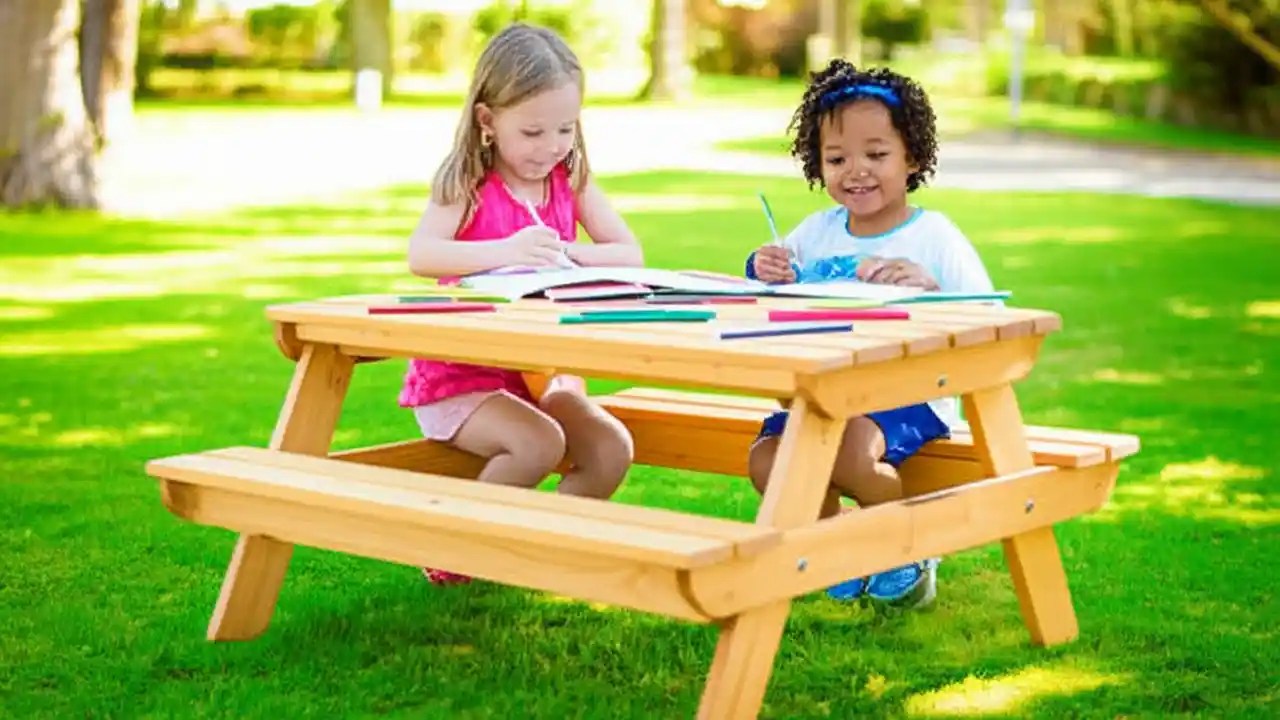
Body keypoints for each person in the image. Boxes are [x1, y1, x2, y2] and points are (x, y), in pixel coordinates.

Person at [744, 59, 997, 608]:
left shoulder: (935, 237)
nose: (856, 171)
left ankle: (904, 549)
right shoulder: (817, 231)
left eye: (876, 155)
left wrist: (932, 293)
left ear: (913, 157)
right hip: (823, 394)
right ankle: (838, 547)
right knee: (767, 461)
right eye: (836, 159)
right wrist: (764, 266)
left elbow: (988, 317)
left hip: (909, 397)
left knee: (853, 449)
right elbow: (768, 282)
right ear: (818, 165)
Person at [401, 23, 641, 585]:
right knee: (539, 442)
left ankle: (533, 554)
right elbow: (422, 254)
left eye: (565, 128)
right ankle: (458, 552)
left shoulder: (570, 179)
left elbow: (628, 251)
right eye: (532, 131)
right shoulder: (468, 182)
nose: (551, 146)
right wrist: (505, 251)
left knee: (609, 449)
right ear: (488, 121)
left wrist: (569, 256)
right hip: (460, 378)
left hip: (537, 372)